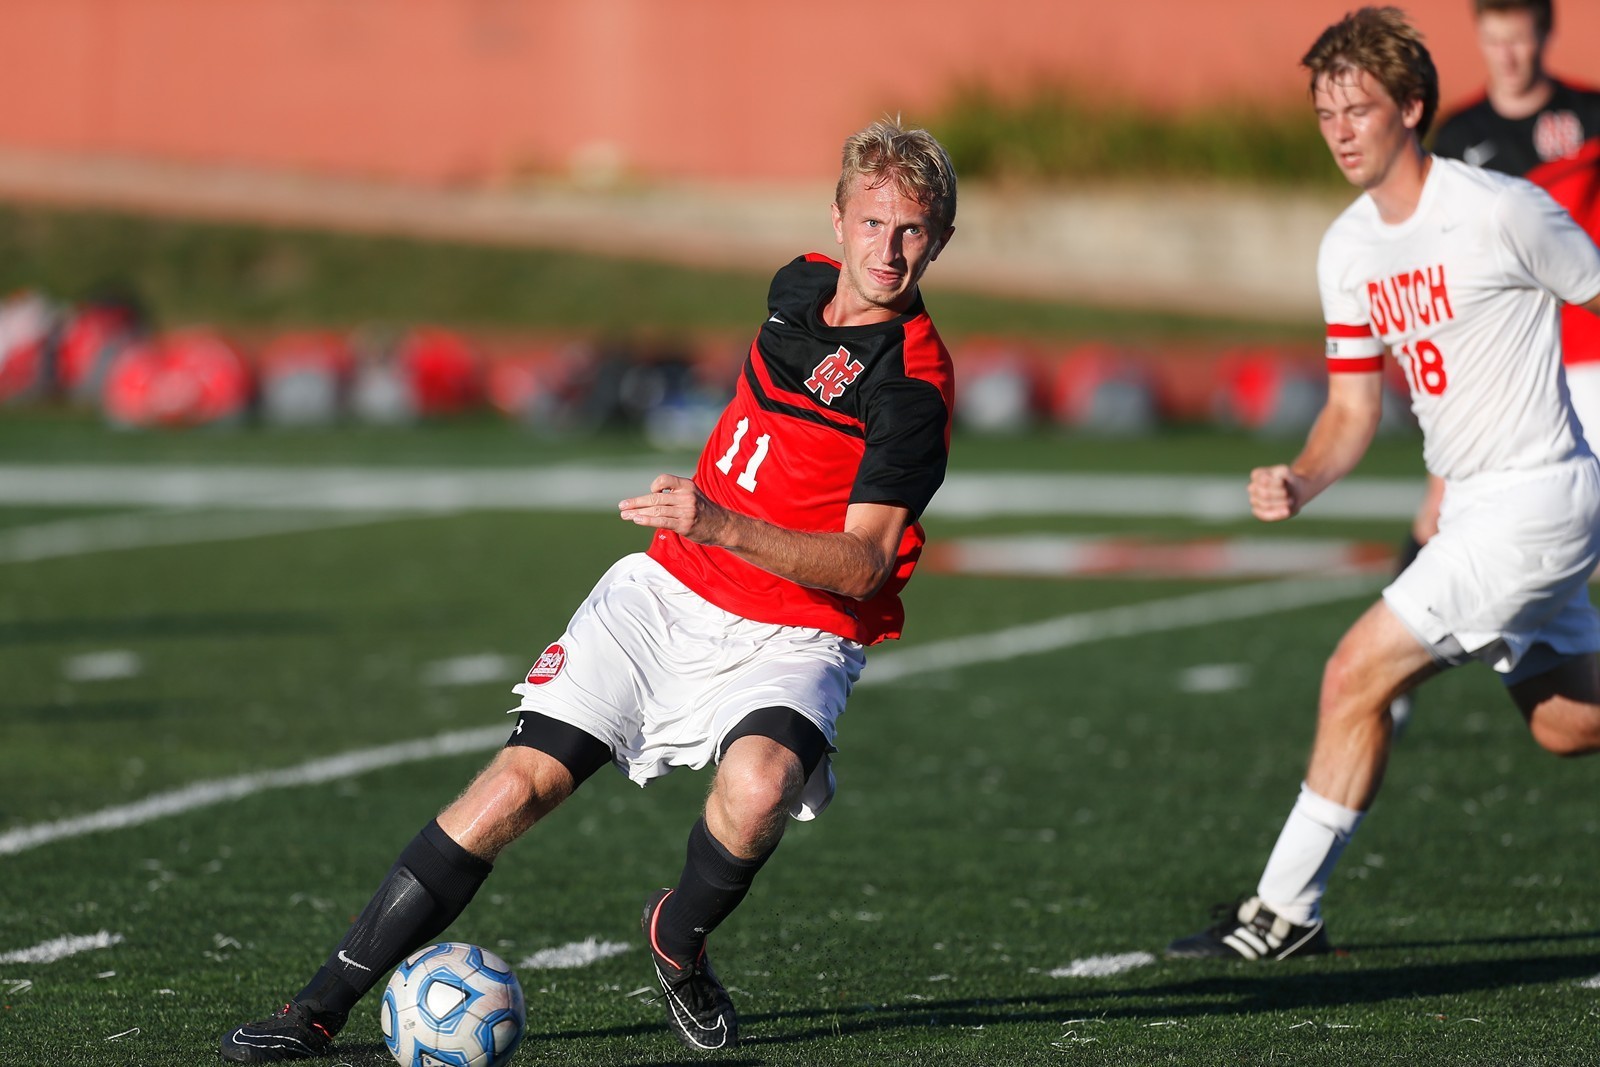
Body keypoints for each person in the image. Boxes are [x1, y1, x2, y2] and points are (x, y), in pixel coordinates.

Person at [218, 118, 957, 1060]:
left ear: (937, 241)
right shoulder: (796, 285)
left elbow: (862, 566)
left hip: (795, 627)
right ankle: (316, 1007)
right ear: (839, 218)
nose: (888, 251)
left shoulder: (915, 389)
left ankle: (677, 941)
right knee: (514, 787)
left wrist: (718, 518)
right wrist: (707, 524)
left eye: (912, 232)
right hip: (666, 592)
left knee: (763, 784)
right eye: (873, 223)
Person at [1167, 6, 1600, 961]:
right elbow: (1352, 411)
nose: (1340, 132)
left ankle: (1283, 912)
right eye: (1325, 113)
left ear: (1413, 106)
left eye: (1357, 108)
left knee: (1354, 671)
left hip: (1537, 500)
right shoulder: (1348, 247)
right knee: (1567, 723)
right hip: (1476, 509)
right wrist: (1303, 476)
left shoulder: (1500, 207)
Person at [1389, 0, 1600, 707]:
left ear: (1545, 32)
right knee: (1439, 524)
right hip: (1514, 374)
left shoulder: (1590, 117)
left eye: (1521, 38)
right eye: (1494, 39)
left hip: (1592, 360)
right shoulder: (1458, 139)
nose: (1509, 55)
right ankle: (1390, 694)